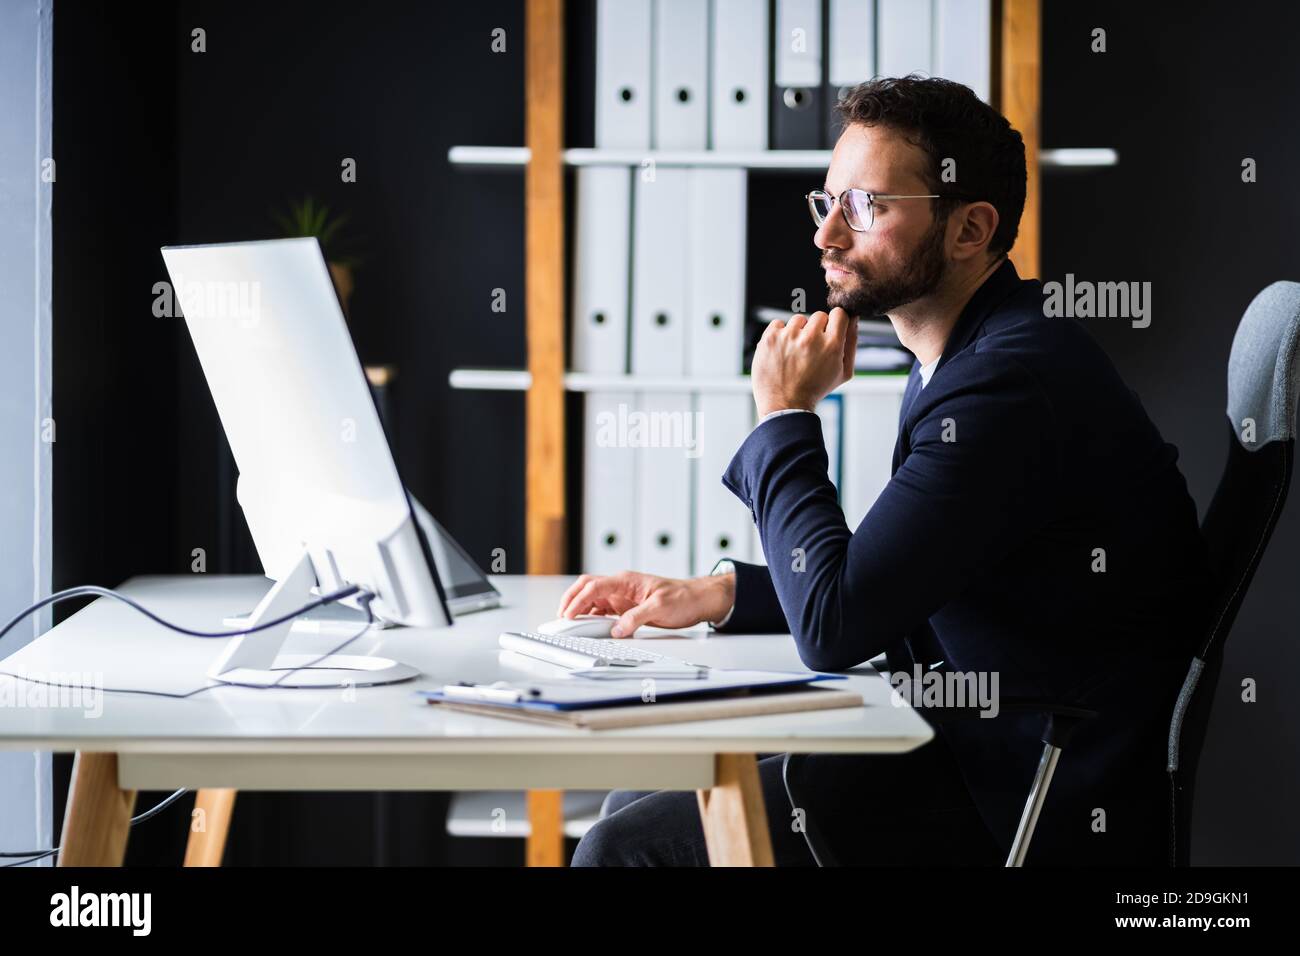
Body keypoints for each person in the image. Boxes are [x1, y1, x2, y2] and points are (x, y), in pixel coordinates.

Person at [565, 76, 1208, 867]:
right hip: (975, 735)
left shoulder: (1006, 385)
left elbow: (837, 627)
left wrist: (784, 414)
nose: (826, 234)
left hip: (1022, 787)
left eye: (864, 206)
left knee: (622, 848)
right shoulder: (969, 354)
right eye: (826, 201)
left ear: (970, 228)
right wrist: (725, 594)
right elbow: (894, 586)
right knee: (638, 800)